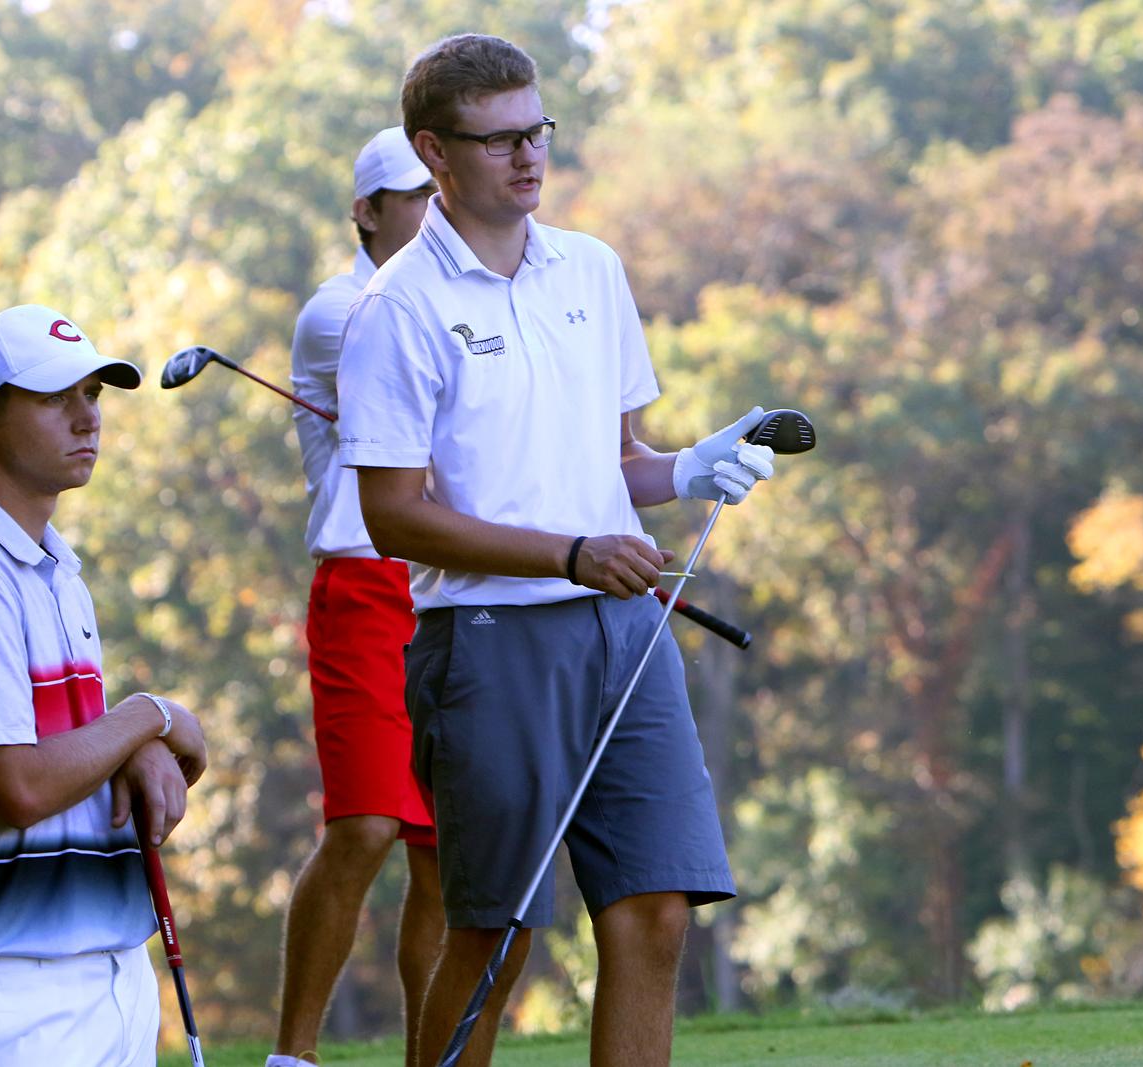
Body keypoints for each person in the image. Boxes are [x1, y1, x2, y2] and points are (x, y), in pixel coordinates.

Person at [335, 35, 778, 1067]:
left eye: (537, 131)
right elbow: (393, 515)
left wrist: (688, 469)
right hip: (486, 639)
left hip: (623, 628)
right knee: (494, 929)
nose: (528, 158)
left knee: (657, 905)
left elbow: (610, 458)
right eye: (498, 141)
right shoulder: (394, 310)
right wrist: (568, 553)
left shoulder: (590, 267)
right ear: (433, 153)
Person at [0, 303, 208, 1066]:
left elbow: (69, 753)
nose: (87, 419)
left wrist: (132, 745)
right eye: (55, 399)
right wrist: (151, 716)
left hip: (110, 971)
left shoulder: (54, 570)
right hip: (11, 999)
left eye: (93, 395)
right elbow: (16, 786)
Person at [269, 127, 443, 1067]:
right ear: (367, 212)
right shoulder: (341, 312)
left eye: (437, 192)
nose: (429, 211)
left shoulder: (451, 300)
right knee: (368, 824)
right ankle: (293, 1056)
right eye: (411, 196)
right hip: (362, 587)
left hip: (448, 588)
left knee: (445, 852)